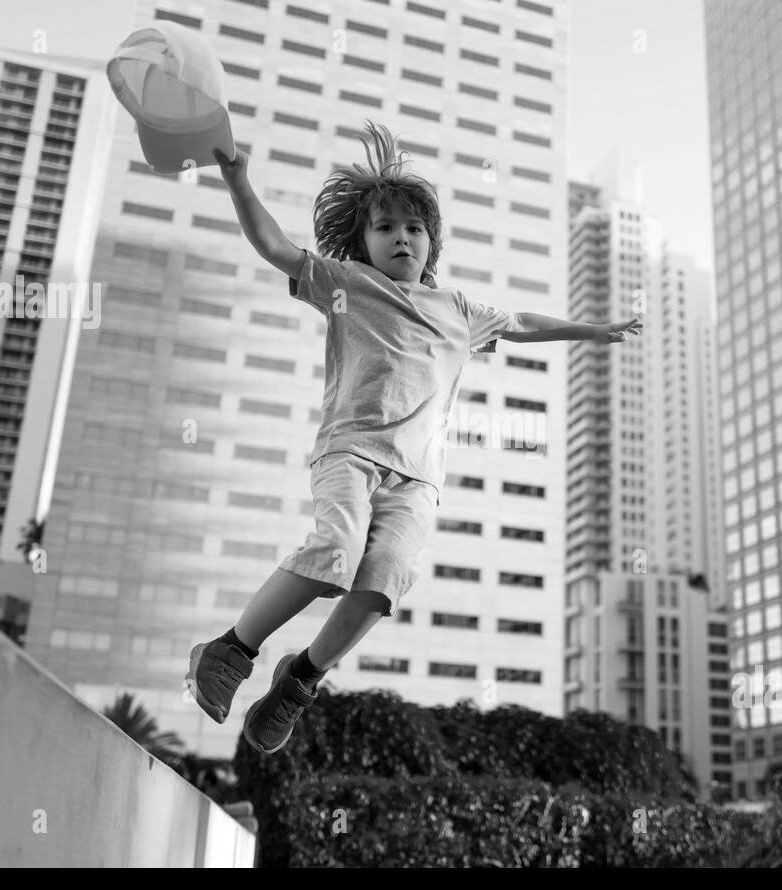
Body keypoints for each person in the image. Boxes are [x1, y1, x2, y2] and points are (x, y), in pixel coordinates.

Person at [185, 120, 642, 755]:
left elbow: (523, 322)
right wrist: (238, 179)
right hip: (350, 452)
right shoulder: (346, 283)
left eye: (414, 228)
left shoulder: (459, 310)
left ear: (431, 243)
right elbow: (274, 246)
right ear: (361, 241)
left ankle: (298, 683)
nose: (401, 237)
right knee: (335, 553)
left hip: (418, 479)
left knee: (385, 579)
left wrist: (590, 330)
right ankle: (231, 649)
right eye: (385, 226)